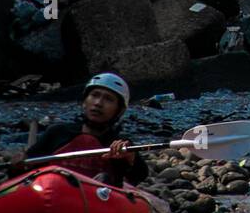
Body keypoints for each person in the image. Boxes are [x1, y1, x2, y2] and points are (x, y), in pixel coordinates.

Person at [9, 72, 147, 186]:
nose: (98, 103)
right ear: (84, 101)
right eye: (94, 95)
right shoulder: (58, 132)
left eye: (108, 99)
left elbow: (139, 175)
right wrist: (17, 165)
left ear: (119, 110)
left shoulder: (120, 145)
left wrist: (131, 158)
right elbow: (24, 174)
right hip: (52, 195)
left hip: (98, 206)